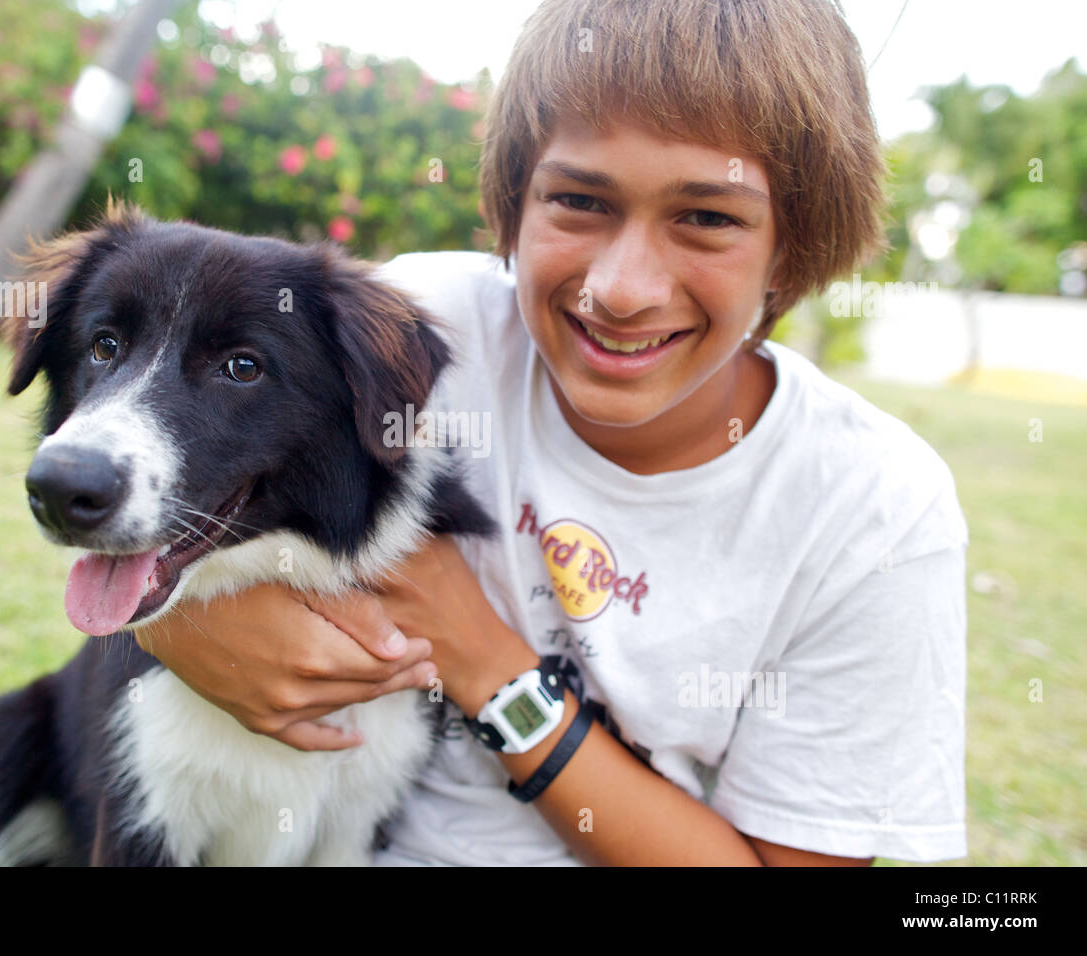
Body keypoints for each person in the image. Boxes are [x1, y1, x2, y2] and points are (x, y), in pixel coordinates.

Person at [136, 0, 969, 866]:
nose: (621, 287)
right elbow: (159, 498)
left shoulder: (877, 512)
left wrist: (489, 665)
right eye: (579, 200)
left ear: (790, 248)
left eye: (709, 217)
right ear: (513, 204)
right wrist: (171, 628)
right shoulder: (414, 335)